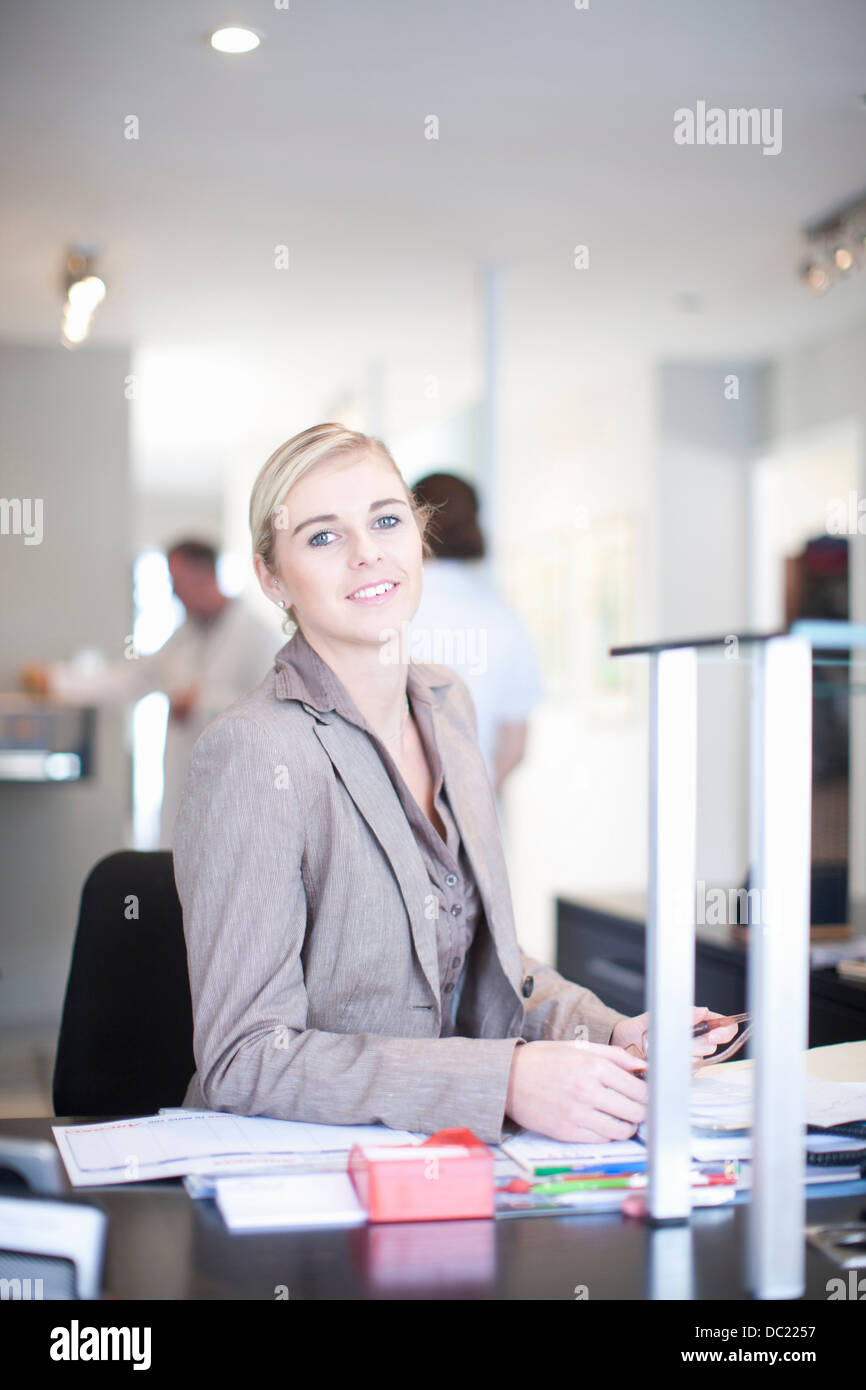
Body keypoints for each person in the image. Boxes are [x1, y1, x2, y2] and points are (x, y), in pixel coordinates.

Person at [172, 424, 736, 1143]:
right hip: (297, 1178)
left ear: (418, 534)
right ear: (272, 577)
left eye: (385, 520)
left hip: (443, 1163)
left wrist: (611, 1032)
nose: (366, 551)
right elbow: (244, 1059)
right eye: (321, 536)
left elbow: (477, 960)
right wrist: (504, 1080)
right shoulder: (254, 751)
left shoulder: (448, 706)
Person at [20, 539, 280, 846]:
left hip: (239, 790)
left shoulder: (257, 636)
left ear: (205, 575)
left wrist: (200, 704)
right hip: (186, 784)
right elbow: (133, 677)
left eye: (178, 581)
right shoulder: (185, 636)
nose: (173, 593)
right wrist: (58, 681)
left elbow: (272, 711)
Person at [409, 472, 545, 796]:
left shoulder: (383, 610)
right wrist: (470, 806)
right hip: (475, 820)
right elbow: (514, 747)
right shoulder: (502, 616)